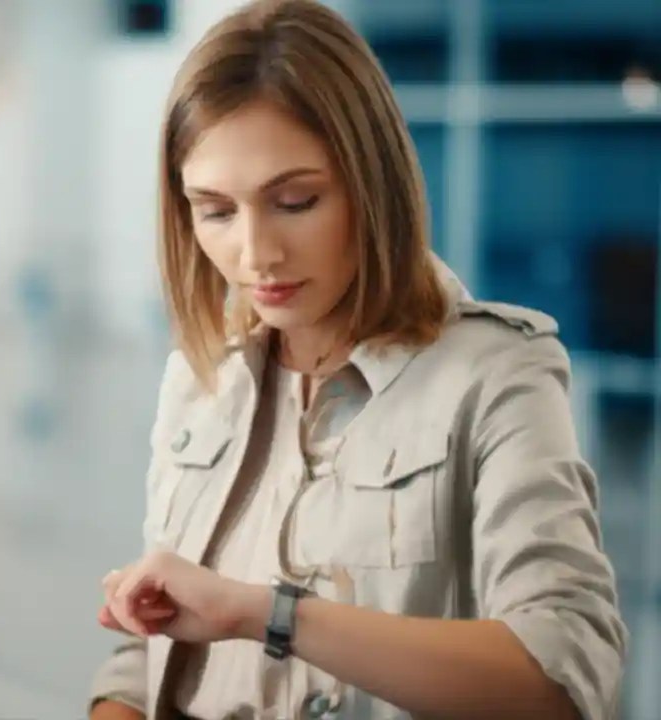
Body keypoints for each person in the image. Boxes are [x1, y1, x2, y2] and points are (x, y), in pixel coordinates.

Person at [88, 1, 627, 719]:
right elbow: (147, 653)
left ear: (370, 184)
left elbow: (561, 680)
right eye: (216, 211)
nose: (256, 254)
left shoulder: (497, 375)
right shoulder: (200, 376)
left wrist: (269, 615)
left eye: (296, 201)